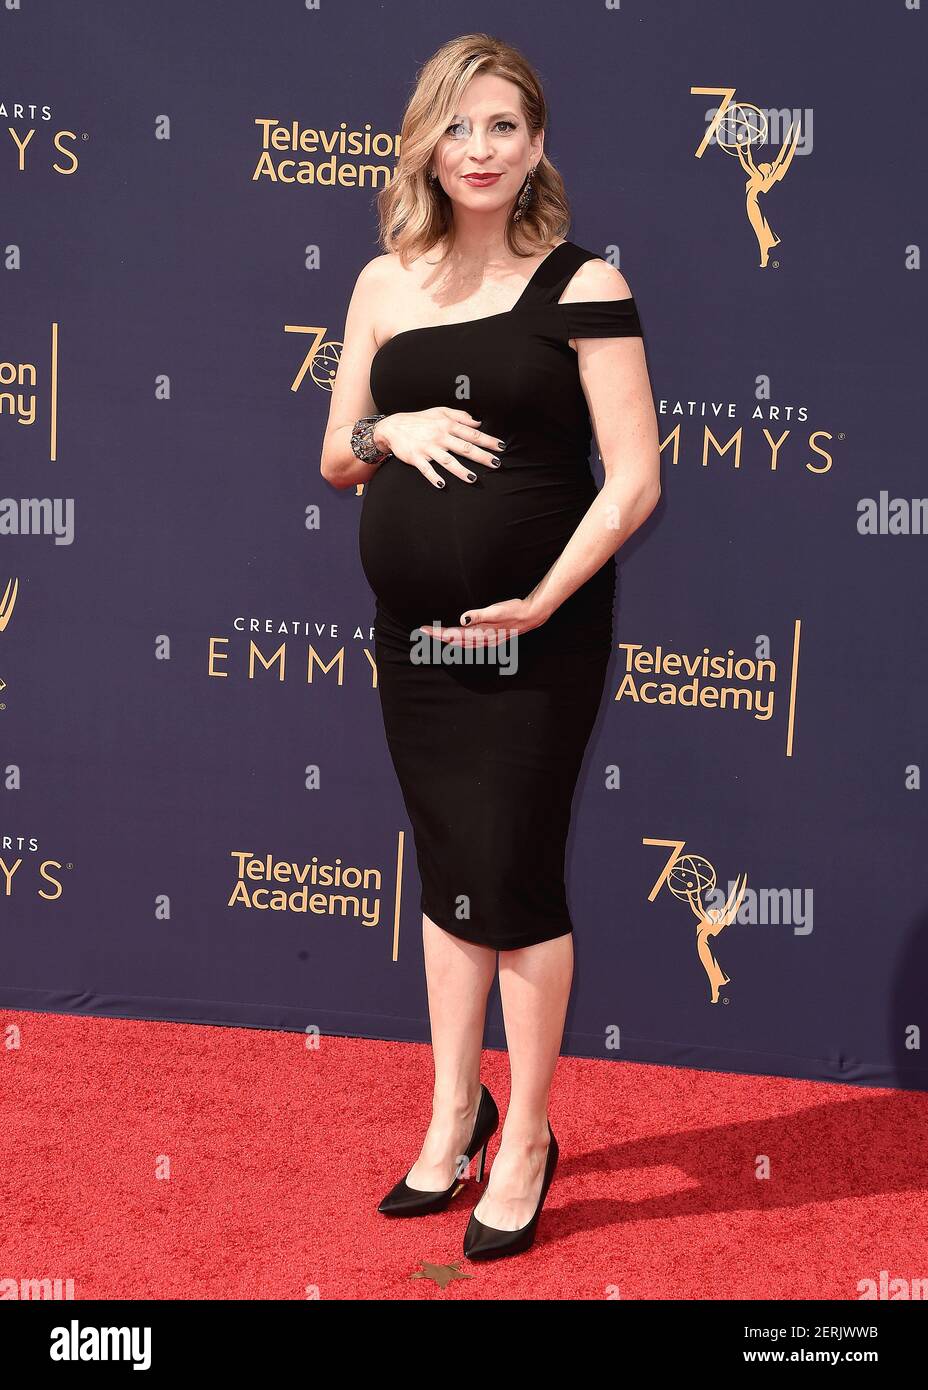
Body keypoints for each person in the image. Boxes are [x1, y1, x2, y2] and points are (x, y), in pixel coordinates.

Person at [320, 32, 660, 1261]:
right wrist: (392, 424)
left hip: (539, 638)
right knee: (449, 863)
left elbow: (630, 482)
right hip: (412, 640)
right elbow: (333, 453)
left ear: (535, 146)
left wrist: (543, 598)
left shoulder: (582, 283)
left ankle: (528, 1139)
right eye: (458, 126)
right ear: (425, 141)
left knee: (513, 875)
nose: (479, 149)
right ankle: (453, 1116)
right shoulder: (382, 282)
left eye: (503, 126)